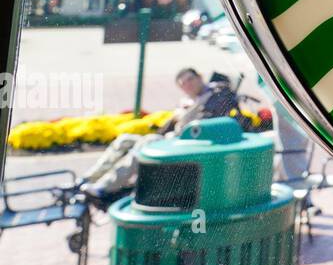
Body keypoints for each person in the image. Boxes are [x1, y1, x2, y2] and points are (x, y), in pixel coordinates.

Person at [78, 68, 245, 199]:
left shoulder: (214, 95)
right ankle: (90, 178)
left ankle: (105, 186)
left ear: (199, 77)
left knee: (145, 144)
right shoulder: (188, 102)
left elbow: (206, 124)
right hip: (174, 138)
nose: (188, 85)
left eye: (190, 80)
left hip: (188, 142)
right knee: (124, 140)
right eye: (183, 84)